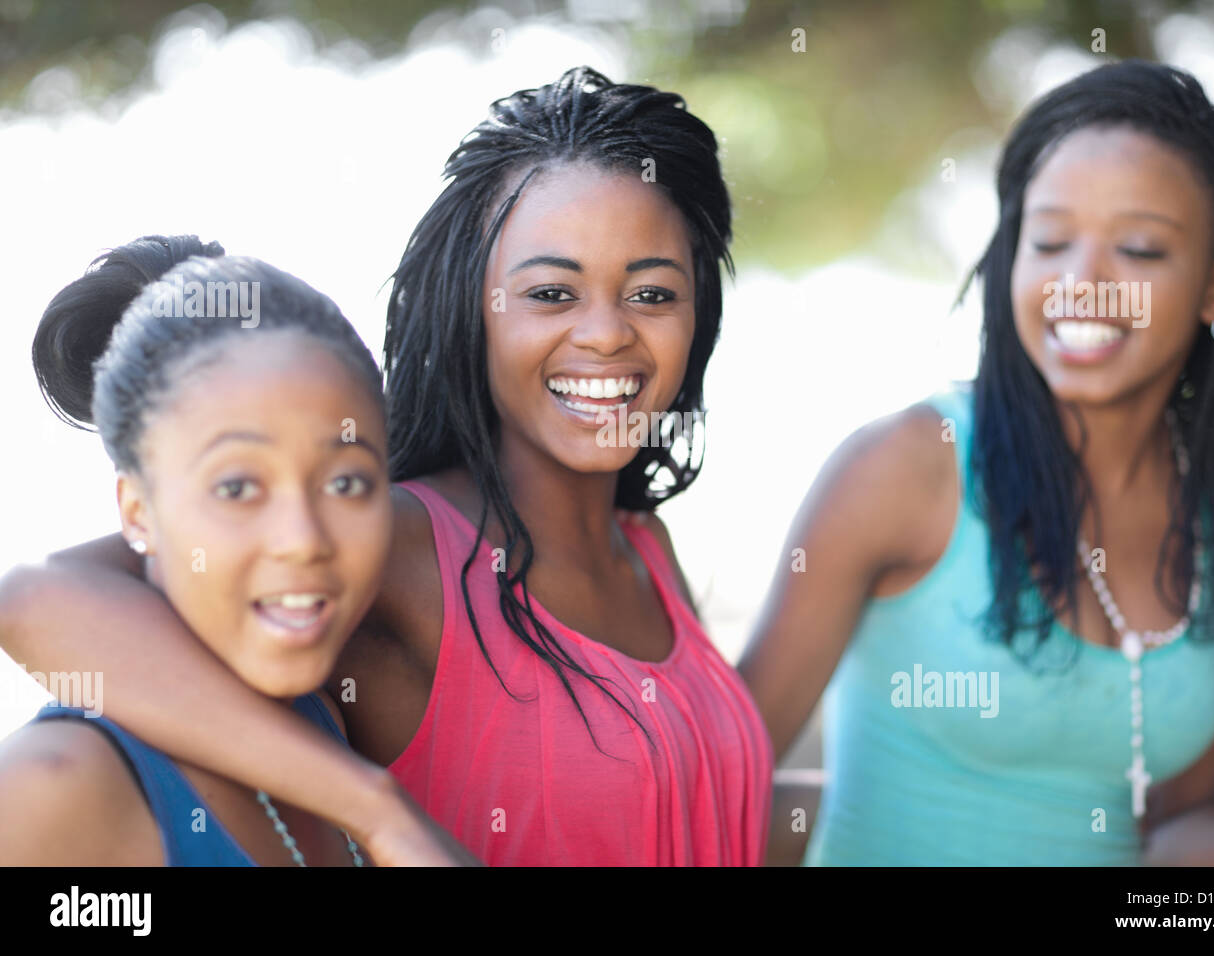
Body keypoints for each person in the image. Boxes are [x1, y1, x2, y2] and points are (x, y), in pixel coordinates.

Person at [0, 67, 773, 866]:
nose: (607, 334)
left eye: (652, 294)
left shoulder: (644, 546)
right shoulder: (394, 543)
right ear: (469, 307)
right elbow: (35, 602)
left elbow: (689, 815)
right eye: (550, 293)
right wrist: (380, 811)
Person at [740, 60, 1214, 865]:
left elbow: (1172, 833)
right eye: (1050, 241)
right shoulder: (909, 468)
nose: (1082, 282)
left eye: (1139, 248)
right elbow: (721, 775)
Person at [0, 235, 468, 865]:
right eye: (238, 487)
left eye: (345, 483)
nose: (304, 540)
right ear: (136, 511)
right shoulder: (55, 788)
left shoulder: (321, 717)